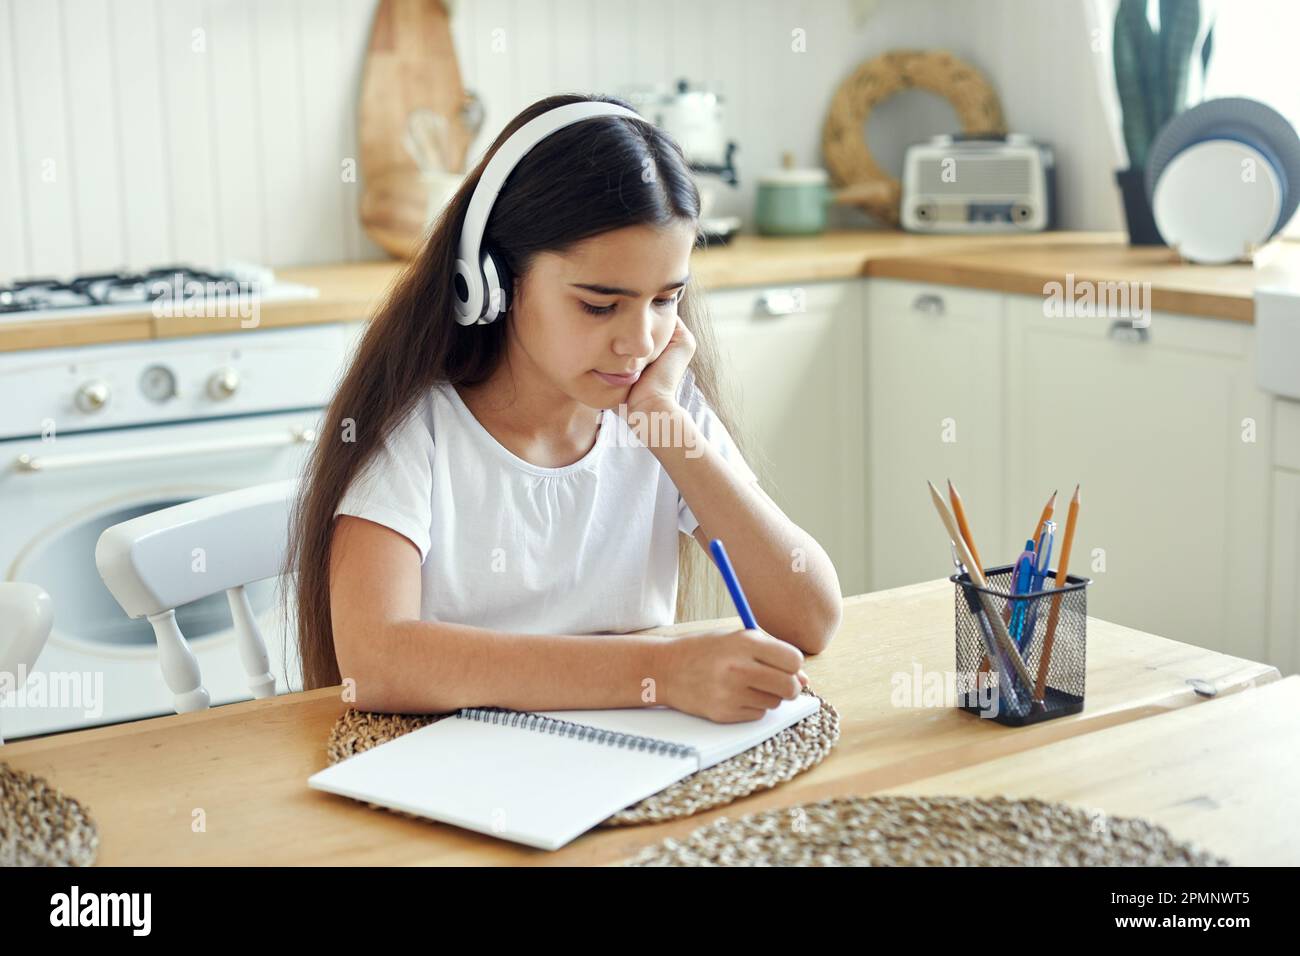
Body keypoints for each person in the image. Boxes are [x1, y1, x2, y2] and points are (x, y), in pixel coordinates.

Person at [286, 93, 841, 724]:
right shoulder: (421, 429)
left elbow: (811, 618)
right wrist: (662, 672)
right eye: (600, 305)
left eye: (665, 300)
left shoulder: (660, 413)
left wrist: (668, 428)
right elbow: (377, 660)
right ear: (491, 280)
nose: (639, 343)